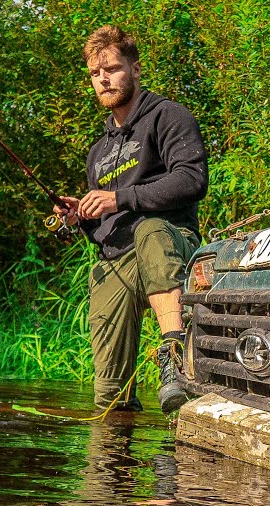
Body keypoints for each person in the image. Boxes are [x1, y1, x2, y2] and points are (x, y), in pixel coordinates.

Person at [54, 25, 207, 413]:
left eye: (112, 69)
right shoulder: (98, 152)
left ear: (135, 70)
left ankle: (174, 357)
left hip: (171, 242)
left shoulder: (169, 115)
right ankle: (112, 463)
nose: (104, 79)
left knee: (150, 229)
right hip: (118, 261)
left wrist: (118, 198)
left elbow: (191, 180)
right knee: (109, 400)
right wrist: (81, 217)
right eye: (95, 74)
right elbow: (105, 228)